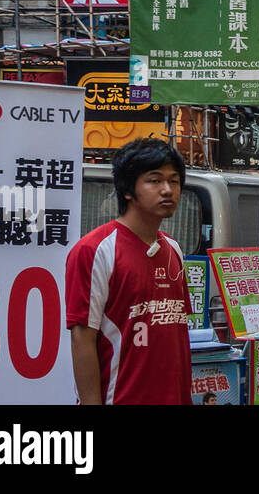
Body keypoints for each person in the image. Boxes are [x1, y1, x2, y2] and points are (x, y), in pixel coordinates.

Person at [65, 138, 193, 404]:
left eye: (175, 180)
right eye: (154, 180)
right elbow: (82, 339)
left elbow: (174, 333)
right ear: (127, 190)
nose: (168, 190)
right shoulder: (95, 250)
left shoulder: (173, 249)